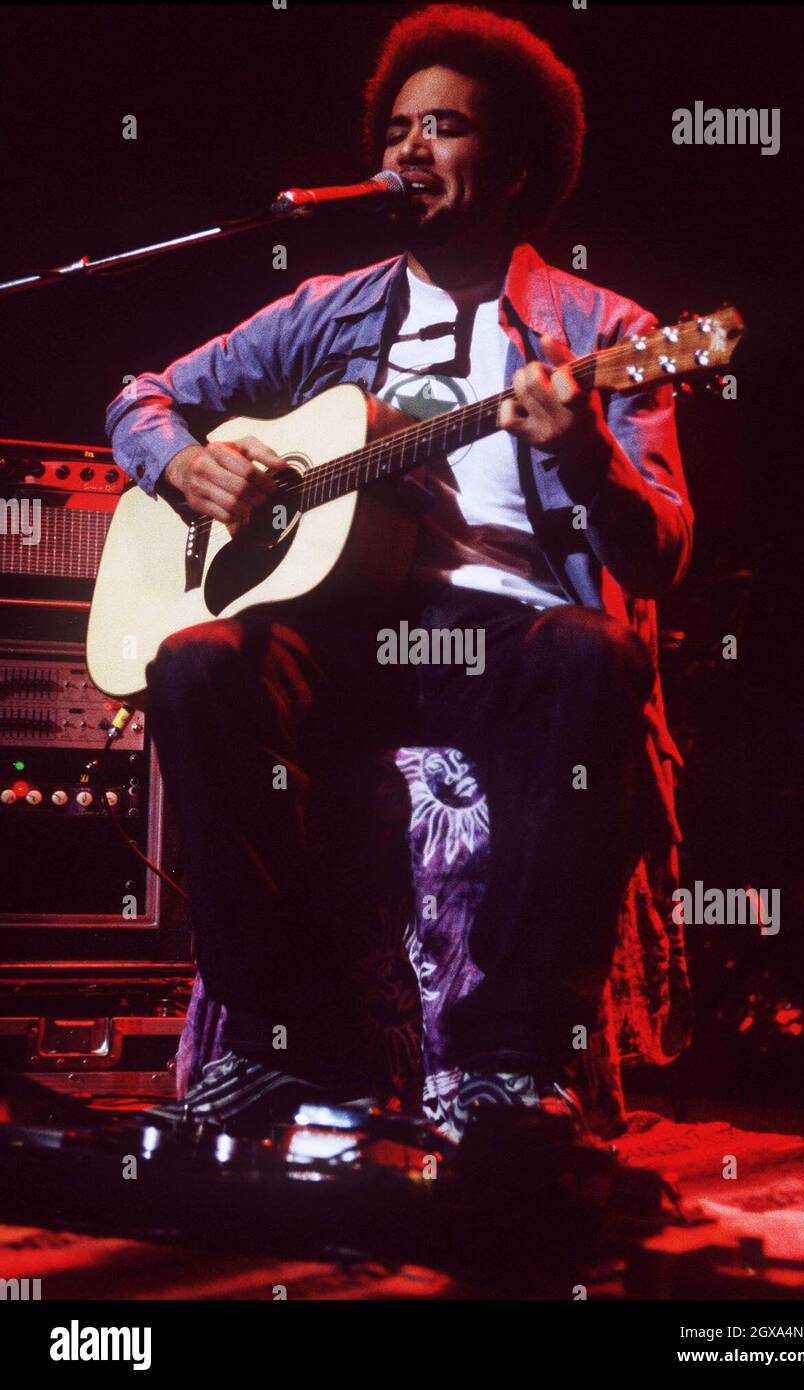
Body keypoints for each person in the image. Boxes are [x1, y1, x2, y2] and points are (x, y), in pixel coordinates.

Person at [105, 4, 693, 1140]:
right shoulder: (328, 309)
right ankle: (295, 1040)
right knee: (194, 666)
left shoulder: (604, 326)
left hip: (507, 638)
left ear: (519, 166)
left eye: (446, 129)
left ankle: (511, 1061)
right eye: (397, 130)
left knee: (596, 655)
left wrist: (579, 450)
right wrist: (184, 467)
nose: (408, 152)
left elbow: (659, 550)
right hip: (343, 632)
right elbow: (141, 392)